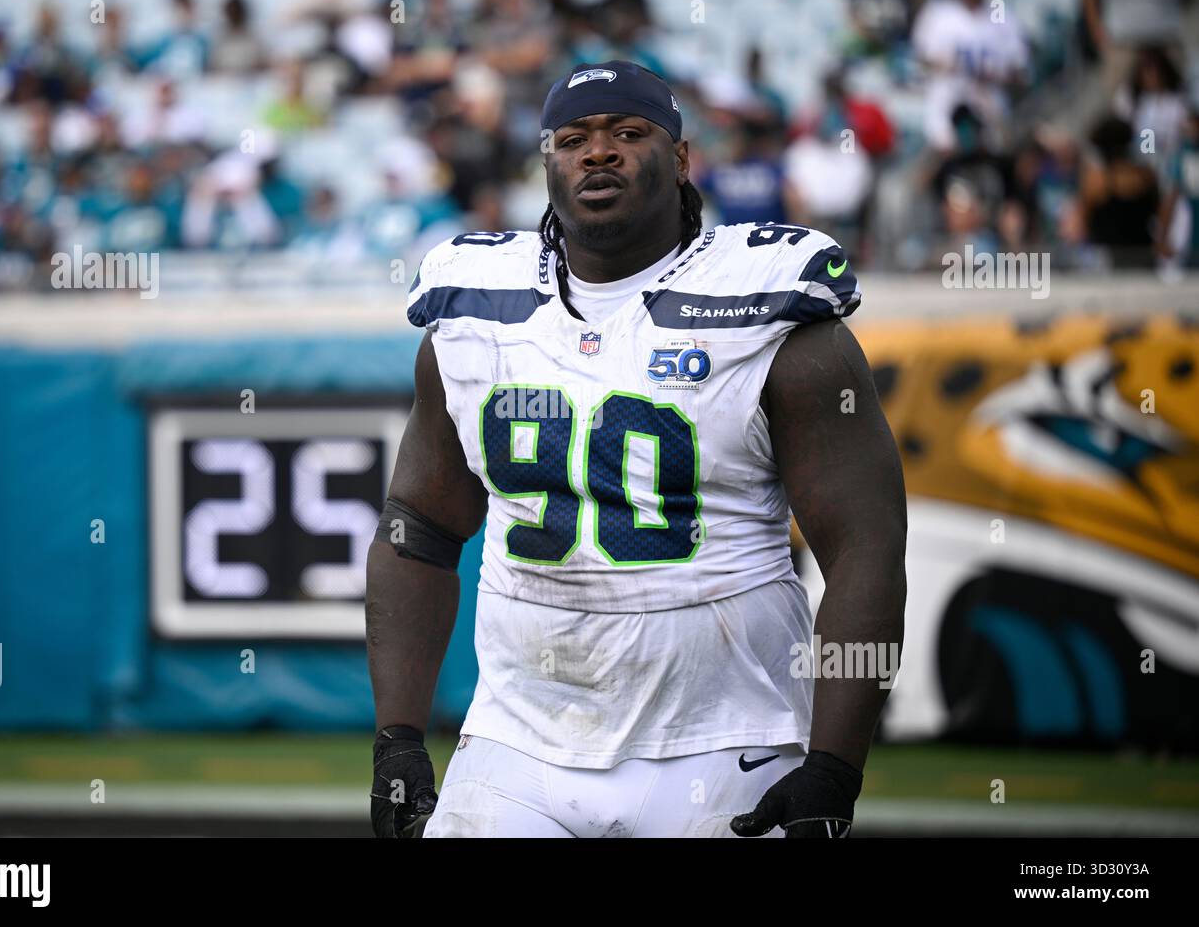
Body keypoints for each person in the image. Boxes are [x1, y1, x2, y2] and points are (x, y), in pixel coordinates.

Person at [366, 61, 906, 838]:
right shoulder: (475, 308)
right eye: (574, 138)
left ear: (681, 159)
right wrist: (398, 741)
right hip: (519, 738)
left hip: (727, 737)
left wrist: (833, 768)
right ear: (547, 161)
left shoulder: (770, 305)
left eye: (628, 133)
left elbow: (866, 547)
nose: (599, 152)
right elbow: (418, 525)